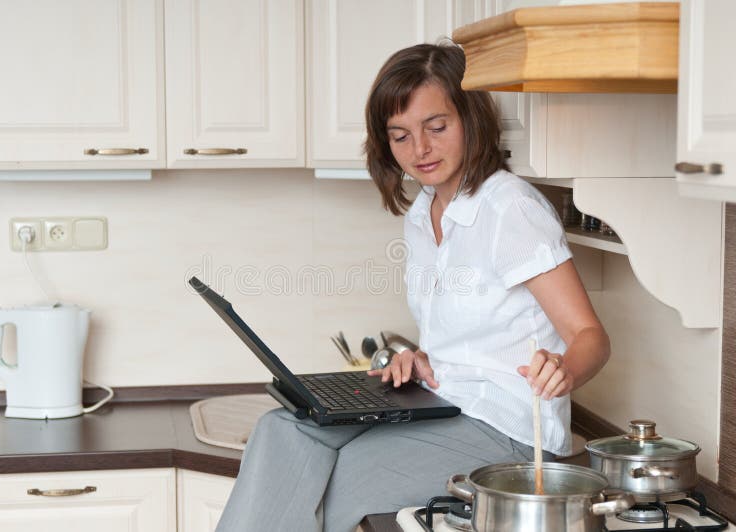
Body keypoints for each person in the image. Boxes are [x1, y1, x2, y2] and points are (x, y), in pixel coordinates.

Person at [215, 41, 610, 532]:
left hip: (508, 429)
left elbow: (591, 337)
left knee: (331, 482)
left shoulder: (512, 209)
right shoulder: (423, 213)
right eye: (400, 136)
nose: (419, 150)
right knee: (281, 431)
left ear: (470, 119)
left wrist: (563, 370)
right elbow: (475, 326)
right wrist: (424, 359)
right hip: (444, 401)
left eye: (436, 127)